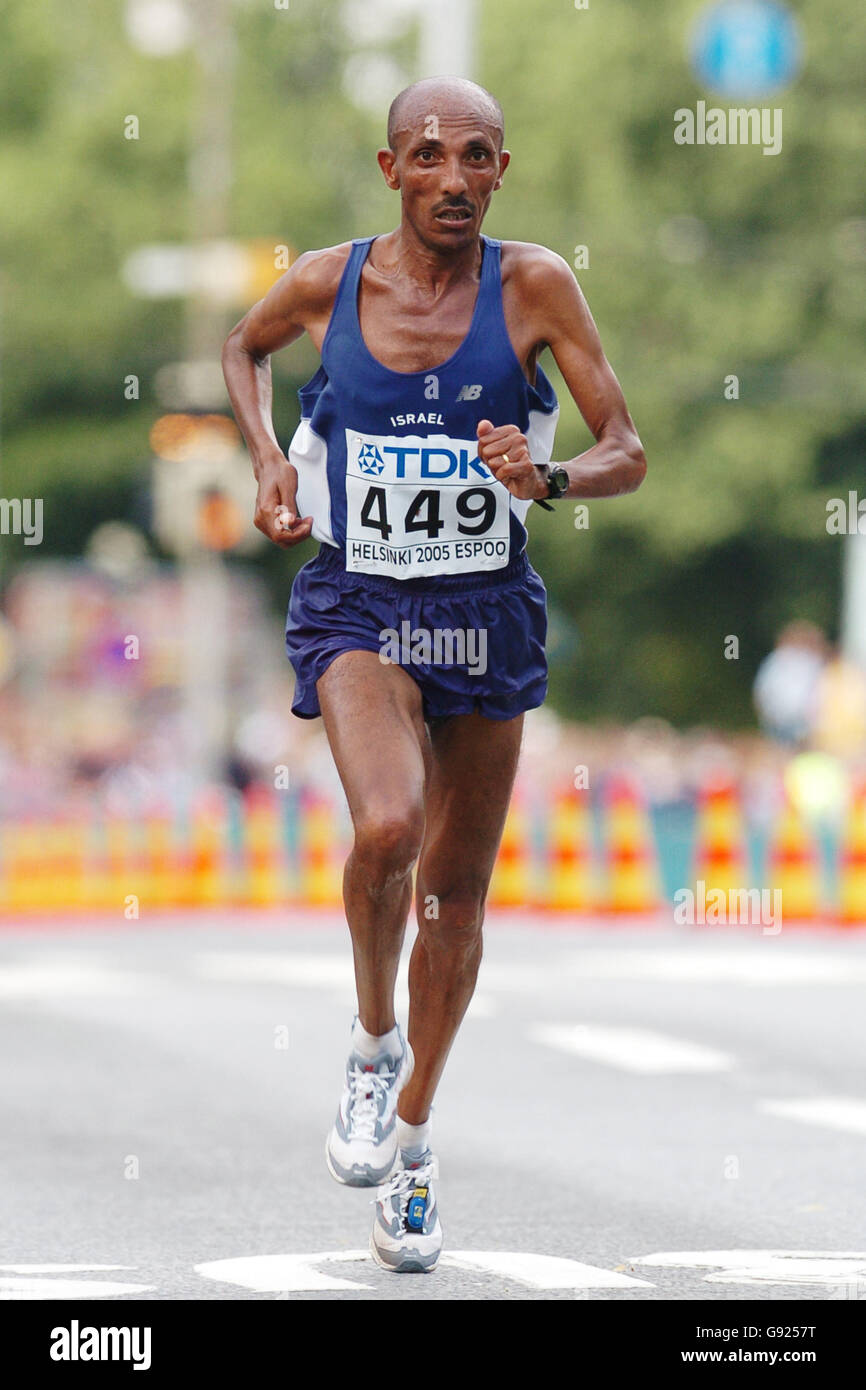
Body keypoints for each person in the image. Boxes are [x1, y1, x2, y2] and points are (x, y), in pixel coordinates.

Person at [222, 76, 646, 1273]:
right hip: (358, 596)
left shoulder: (534, 287)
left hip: (484, 611)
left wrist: (548, 479)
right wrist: (267, 462)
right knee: (388, 826)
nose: (452, 178)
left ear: (500, 171)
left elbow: (625, 447)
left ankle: (410, 1151)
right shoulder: (325, 282)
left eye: (475, 157)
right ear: (389, 168)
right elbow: (240, 347)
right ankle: (370, 1044)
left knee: (454, 896)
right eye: (428, 155)